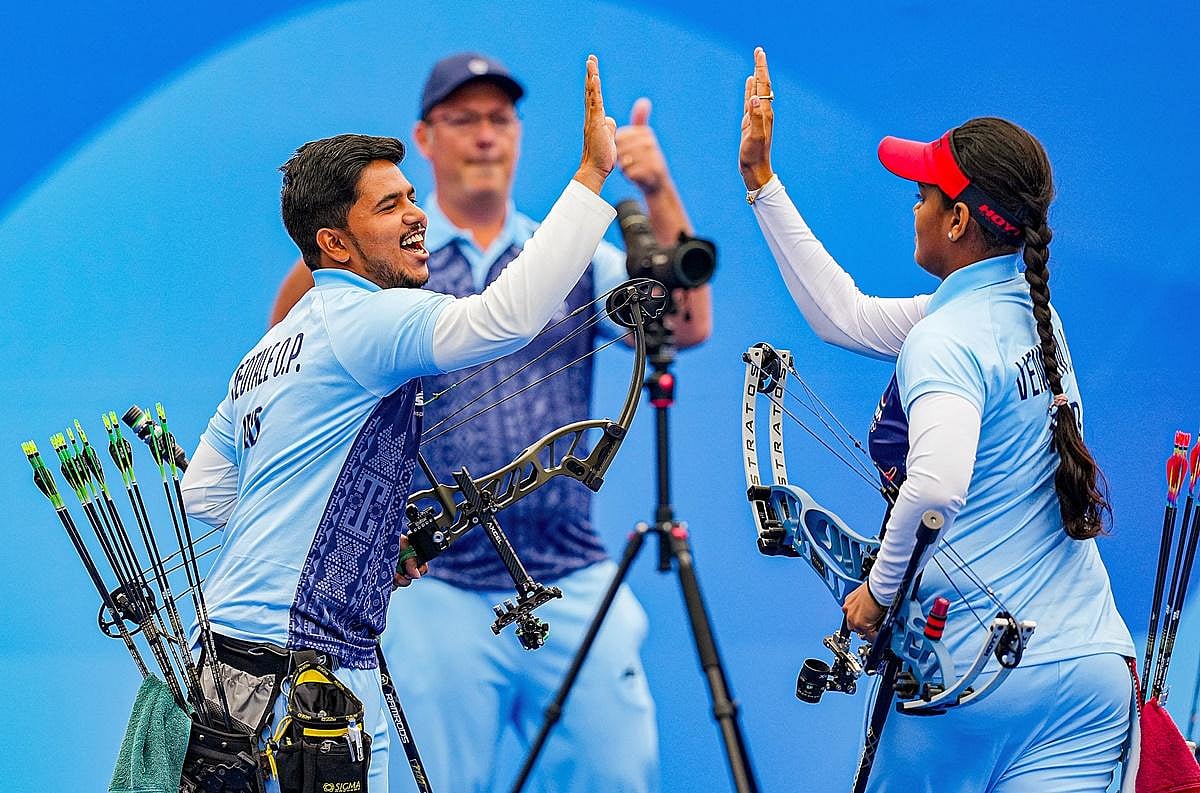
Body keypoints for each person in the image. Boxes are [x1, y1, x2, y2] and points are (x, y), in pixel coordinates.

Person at [179, 54, 621, 793]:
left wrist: (360, 540)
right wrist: (591, 178)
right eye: (389, 207)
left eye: (412, 196)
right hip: (303, 666)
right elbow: (506, 317)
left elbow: (204, 493)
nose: (417, 214)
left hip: (228, 657)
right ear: (335, 244)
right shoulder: (368, 316)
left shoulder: (267, 350)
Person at [270, 52, 710, 793]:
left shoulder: (573, 255)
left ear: (518, 136)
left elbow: (683, 323)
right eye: (462, 119)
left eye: (499, 120)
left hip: (569, 570)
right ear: (426, 138)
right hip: (429, 586)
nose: (483, 136)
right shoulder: (381, 256)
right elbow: (296, 354)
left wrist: (657, 190)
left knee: (619, 776)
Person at [739, 47, 1134, 791]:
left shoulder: (946, 338)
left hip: (975, 685)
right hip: (1088, 678)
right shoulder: (1036, 316)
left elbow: (935, 487)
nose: (912, 206)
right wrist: (762, 182)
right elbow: (845, 315)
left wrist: (877, 593)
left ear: (957, 219)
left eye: (922, 193)